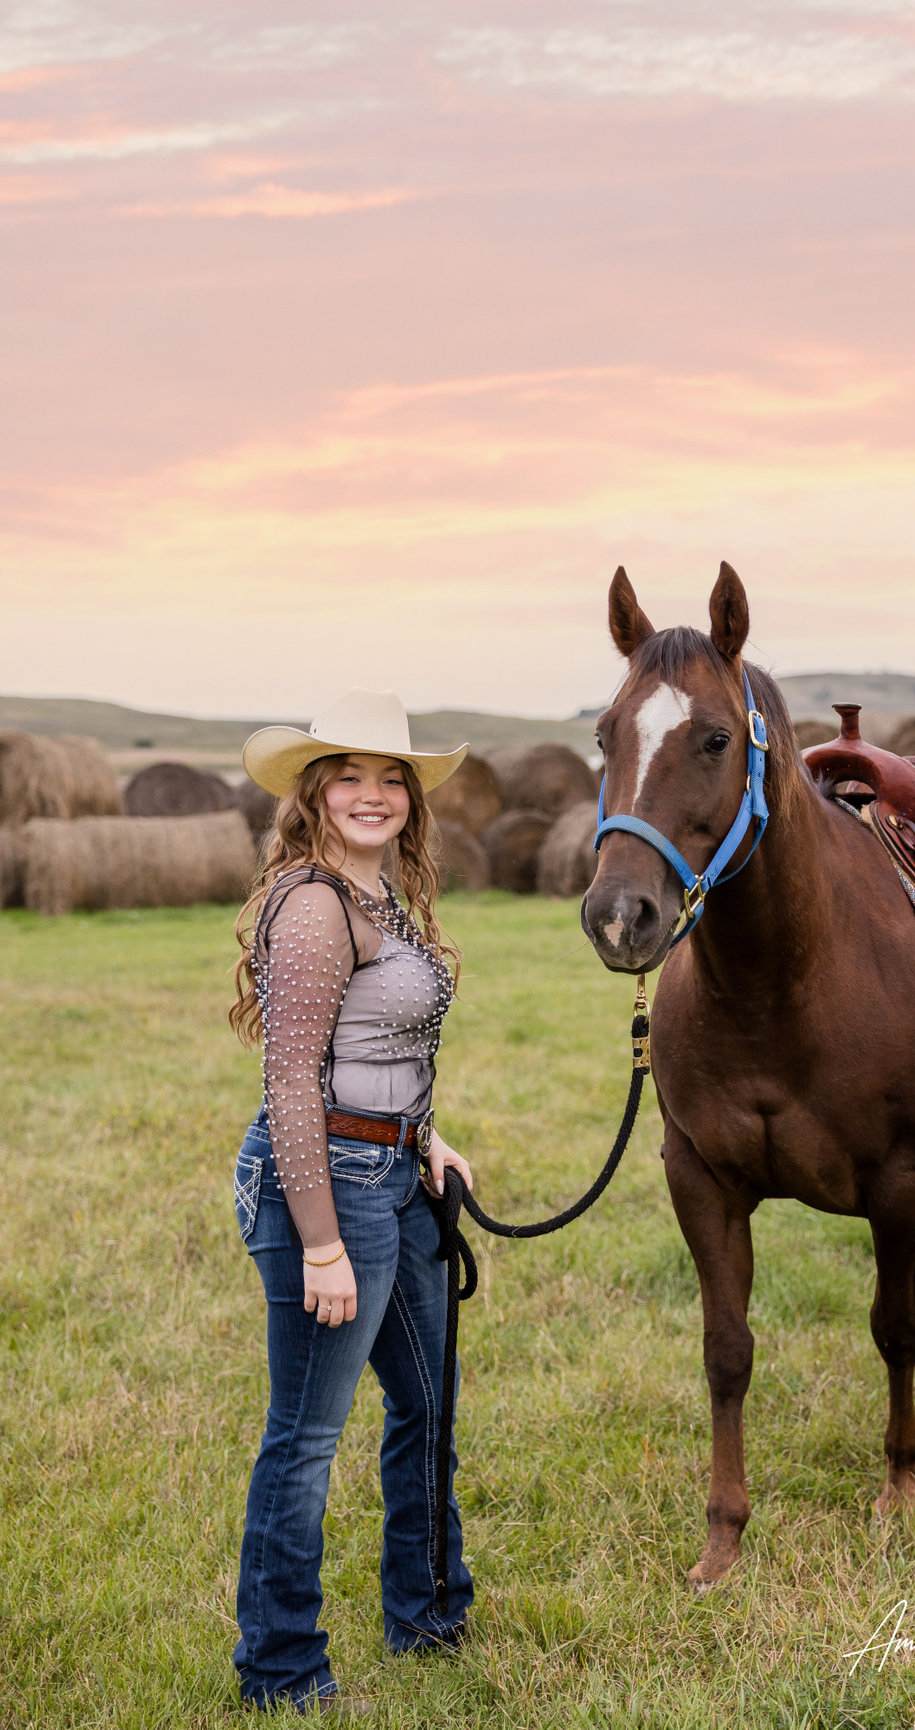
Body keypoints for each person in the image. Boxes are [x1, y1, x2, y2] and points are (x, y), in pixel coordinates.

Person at [229, 687, 475, 1714]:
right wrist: (322, 1242)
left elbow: (378, 1047)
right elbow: (290, 1081)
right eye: (349, 776)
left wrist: (426, 1134)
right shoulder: (319, 905)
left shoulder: (381, 899)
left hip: (391, 1169)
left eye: (392, 778)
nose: (372, 794)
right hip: (325, 1185)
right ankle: (281, 1668)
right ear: (315, 794)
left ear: (411, 800)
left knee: (426, 1405)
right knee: (306, 1435)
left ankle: (426, 1615)